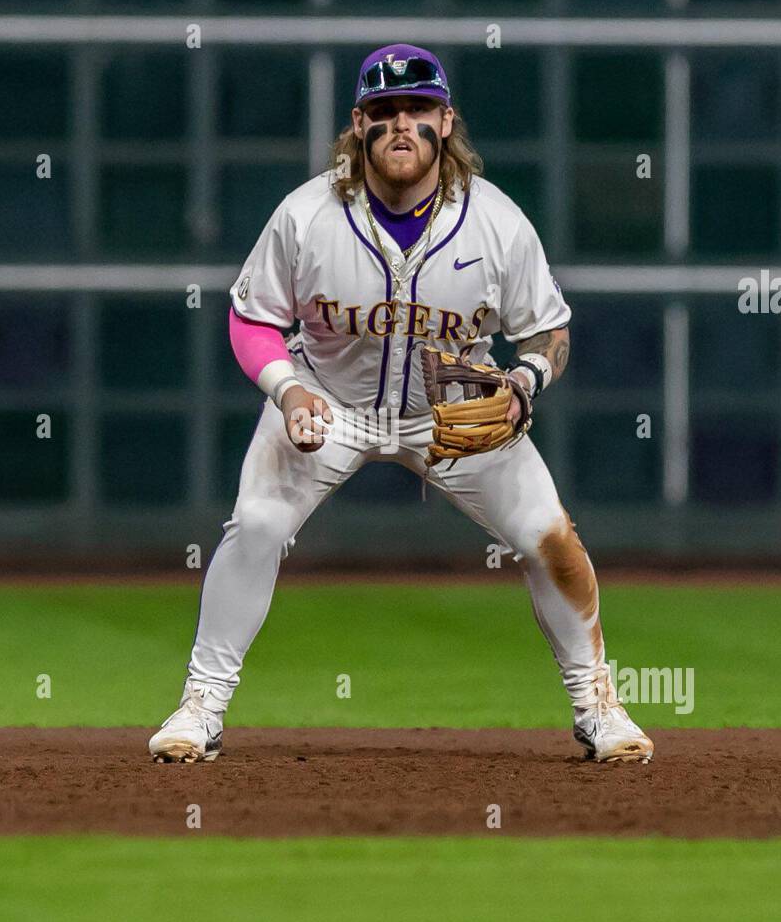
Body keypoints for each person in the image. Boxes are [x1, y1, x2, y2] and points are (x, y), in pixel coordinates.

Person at [149, 44, 653, 766]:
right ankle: (200, 706)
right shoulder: (307, 215)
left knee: (549, 536)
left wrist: (524, 381)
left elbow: (547, 327)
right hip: (326, 401)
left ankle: (599, 708)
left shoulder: (496, 223)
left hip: (453, 410)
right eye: (384, 112)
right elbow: (253, 315)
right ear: (359, 125)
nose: (401, 125)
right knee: (256, 525)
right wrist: (286, 389)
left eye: (418, 109)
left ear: (445, 123)